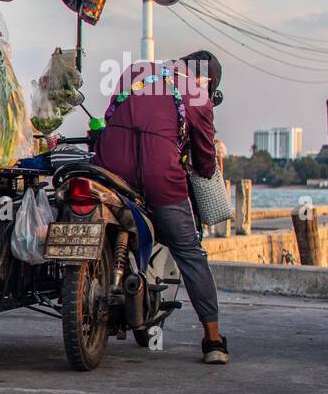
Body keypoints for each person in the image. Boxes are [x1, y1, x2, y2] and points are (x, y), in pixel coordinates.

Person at [93, 50, 229, 364]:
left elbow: (113, 115)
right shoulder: (197, 95)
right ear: (206, 80)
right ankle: (213, 342)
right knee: (190, 253)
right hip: (160, 180)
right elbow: (206, 161)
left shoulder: (135, 71)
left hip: (109, 172)